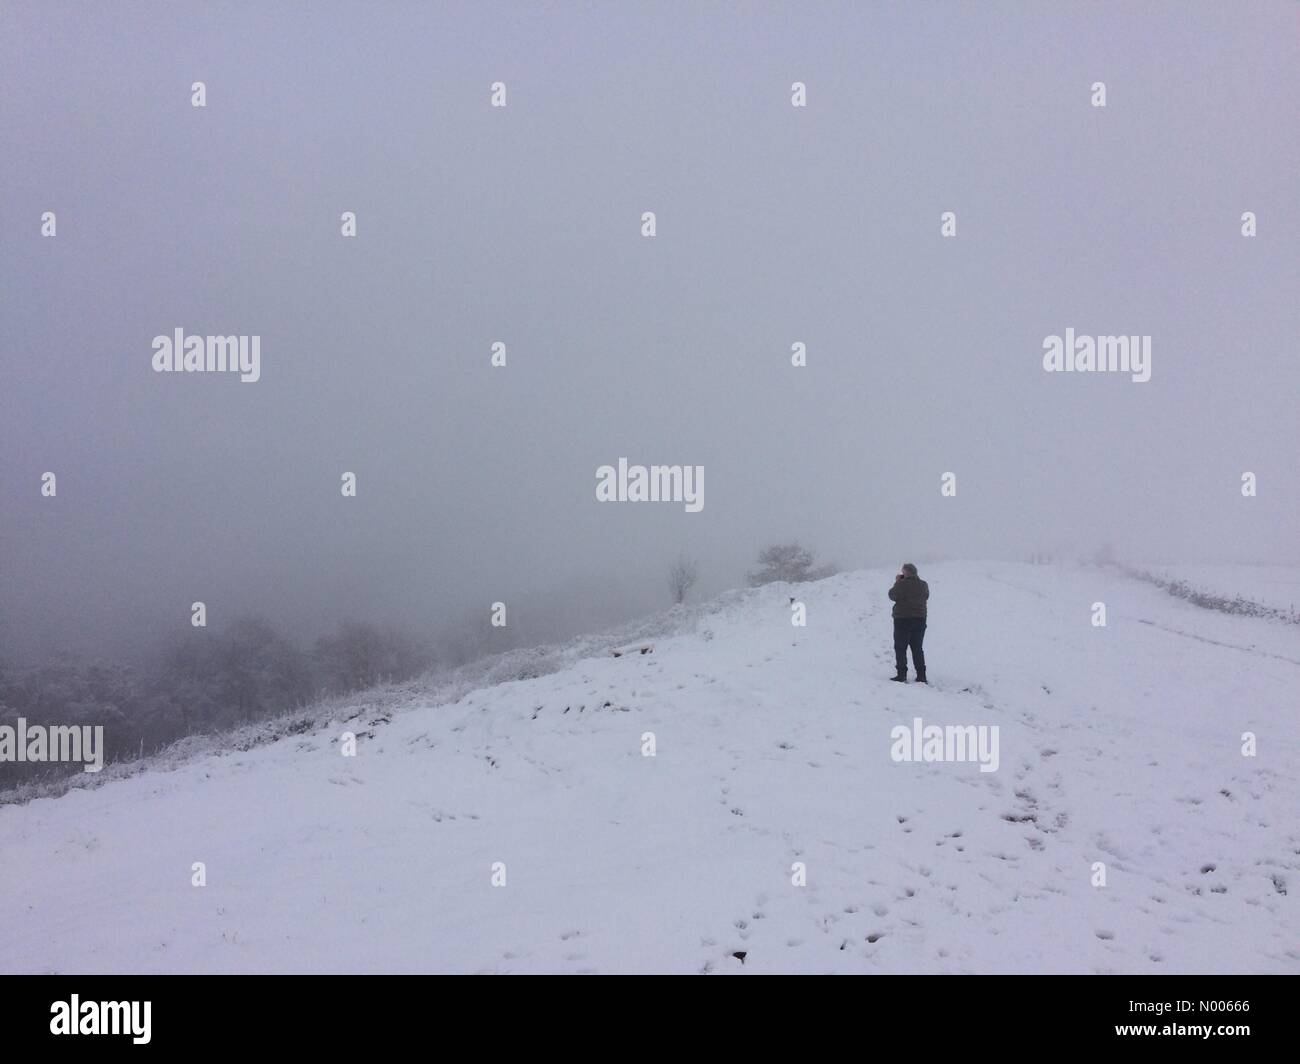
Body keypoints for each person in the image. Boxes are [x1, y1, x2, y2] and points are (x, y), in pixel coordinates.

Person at [888, 563, 929, 683]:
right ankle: (921, 675)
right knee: (917, 648)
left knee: (900, 647)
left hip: (903, 619)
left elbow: (892, 595)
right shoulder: (923, 584)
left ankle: (902, 674)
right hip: (920, 619)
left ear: (906, 573)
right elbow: (926, 597)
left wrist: (897, 582)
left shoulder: (902, 584)